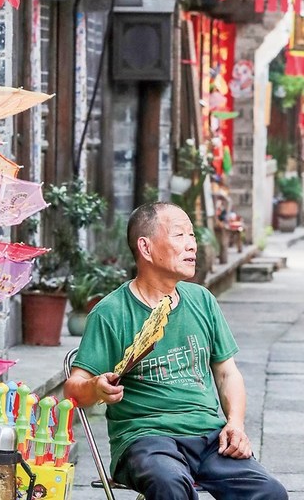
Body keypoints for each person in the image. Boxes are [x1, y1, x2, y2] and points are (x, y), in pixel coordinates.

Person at [65, 202, 288, 500]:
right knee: (170, 485)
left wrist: (235, 424)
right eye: (179, 235)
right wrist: (96, 387)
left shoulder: (202, 300)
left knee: (270, 493)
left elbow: (226, 373)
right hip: (146, 439)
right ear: (145, 247)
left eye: (192, 236)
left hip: (209, 437)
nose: (192, 246)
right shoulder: (110, 313)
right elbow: (73, 389)